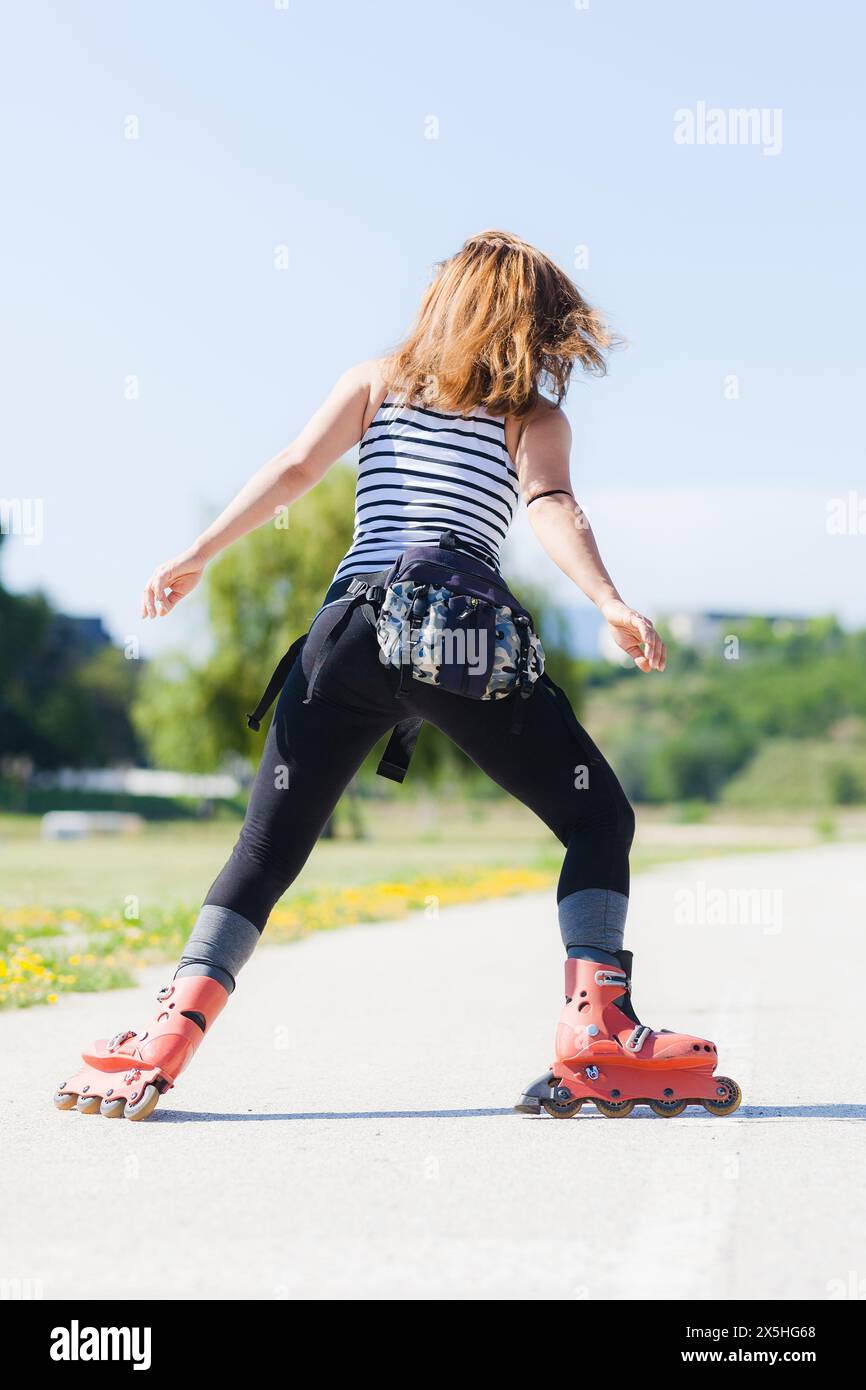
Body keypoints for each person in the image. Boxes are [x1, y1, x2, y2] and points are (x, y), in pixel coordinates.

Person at [54, 230, 739, 1122]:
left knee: (264, 851)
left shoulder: (378, 382)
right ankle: (598, 1032)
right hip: (457, 642)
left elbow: (296, 469)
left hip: (344, 638)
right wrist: (609, 601)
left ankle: (168, 1035)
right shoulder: (530, 417)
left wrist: (197, 554)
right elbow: (551, 505)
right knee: (596, 815)